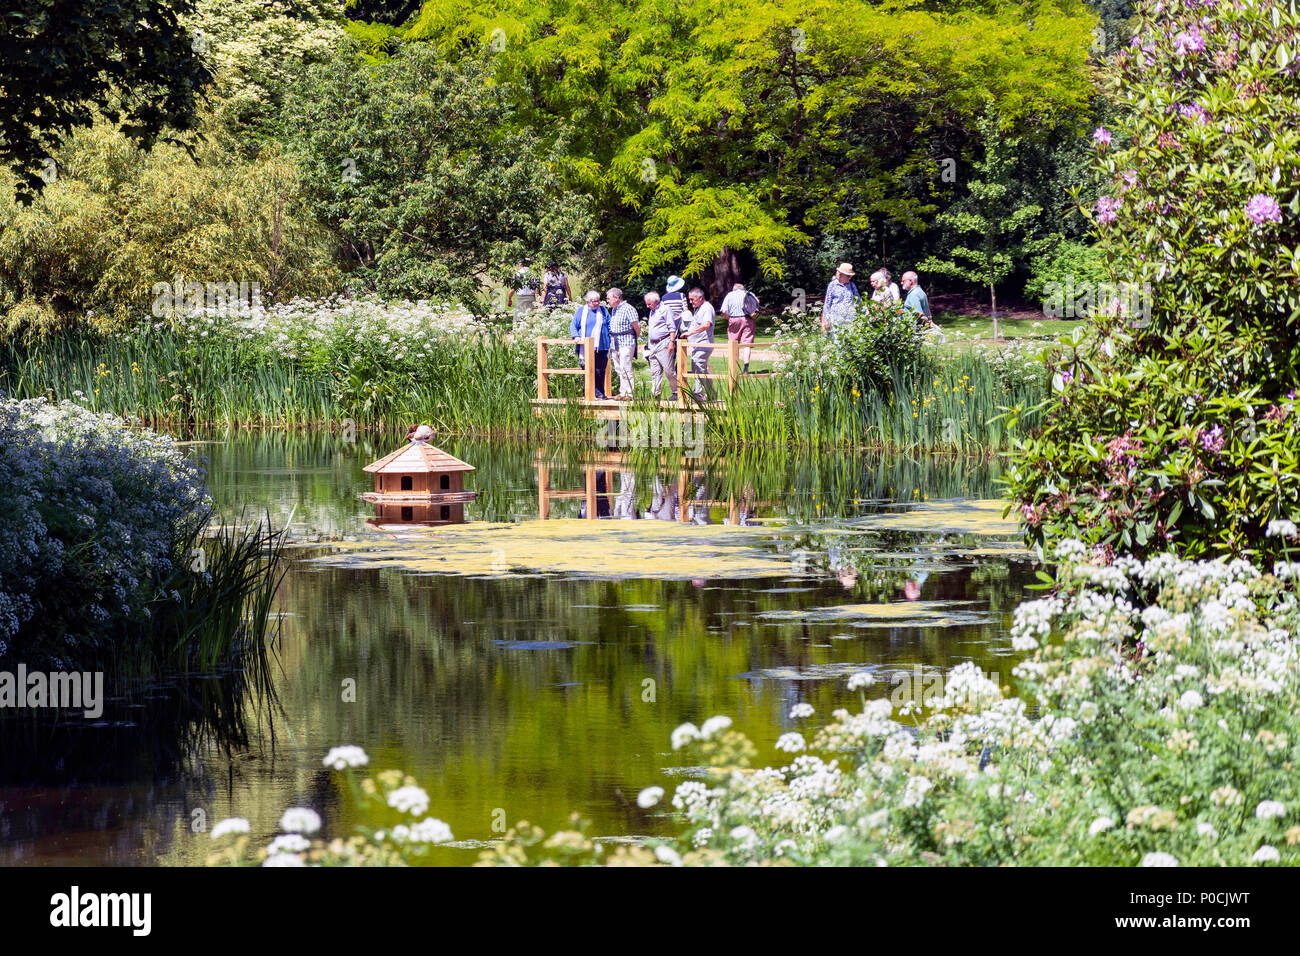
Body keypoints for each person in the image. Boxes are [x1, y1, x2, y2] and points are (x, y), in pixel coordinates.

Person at [570, 290, 611, 400]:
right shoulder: (581, 311)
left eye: (598, 301)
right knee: (587, 369)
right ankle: (588, 393)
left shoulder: (603, 310)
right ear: (588, 301)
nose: (596, 303)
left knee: (600, 370)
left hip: (602, 345)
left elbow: (609, 324)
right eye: (593, 301)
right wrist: (575, 336)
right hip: (585, 346)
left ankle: (600, 393)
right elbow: (574, 325)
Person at [681, 287, 716, 402]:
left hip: (704, 343)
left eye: (692, 300)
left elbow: (707, 324)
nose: (690, 302)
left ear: (700, 298)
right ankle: (710, 394)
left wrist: (691, 332)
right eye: (689, 300)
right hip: (698, 344)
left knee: (698, 367)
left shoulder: (707, 308)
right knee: (698, 368)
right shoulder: (699, 308)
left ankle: (699, 394)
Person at [606, 287, 641, 401]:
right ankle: (623, 392)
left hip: (626, 342)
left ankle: (629, 394)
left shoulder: (628, 309)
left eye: (609, 298)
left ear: (617, 298)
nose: (607, 301)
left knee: (625, 368)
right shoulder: (615, 310)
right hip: (616, 343)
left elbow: (636, 327)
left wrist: (634, 340)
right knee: (618, 368)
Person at [644, 290, 677, 402]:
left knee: (668, 370)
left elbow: (672, 327)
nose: (647, 306)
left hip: (664, 342)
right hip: (653, 345)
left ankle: (676, 392)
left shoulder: (665, 309)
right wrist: (648, 346)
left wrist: (671, 342)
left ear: (656, 302)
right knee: (655, 371)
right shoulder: (652, 311)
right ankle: (655, 394)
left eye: (649, 304)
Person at [720, 282, 759, 373]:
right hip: (748, 319)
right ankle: (745, 368)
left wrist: (729, 318)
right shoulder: (749, 294)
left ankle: (734, 368)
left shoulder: (730, 295)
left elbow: (724, 310)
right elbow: (757, 302)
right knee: (746, 344)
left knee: (734, 344)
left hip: (734, 319)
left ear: (734, 289)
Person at [821, 262, 860, 337]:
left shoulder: (852, 285)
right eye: (848, 276)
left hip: (850, 320)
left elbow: (857, 301)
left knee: (850, 341)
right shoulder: (832, 285)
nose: (850, 278)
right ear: (840, 274)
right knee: (837, 342)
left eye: (850, 276)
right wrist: (826, 320)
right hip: (836, 320)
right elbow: (827, 303)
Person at [900, 270, 940, 336]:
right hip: (918, 329)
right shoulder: (919, 291)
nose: (901, 283)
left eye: (903, 281)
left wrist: (930, 324)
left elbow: (919, 313)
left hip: (913, 331)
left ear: (910, 281)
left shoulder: (914, 294)